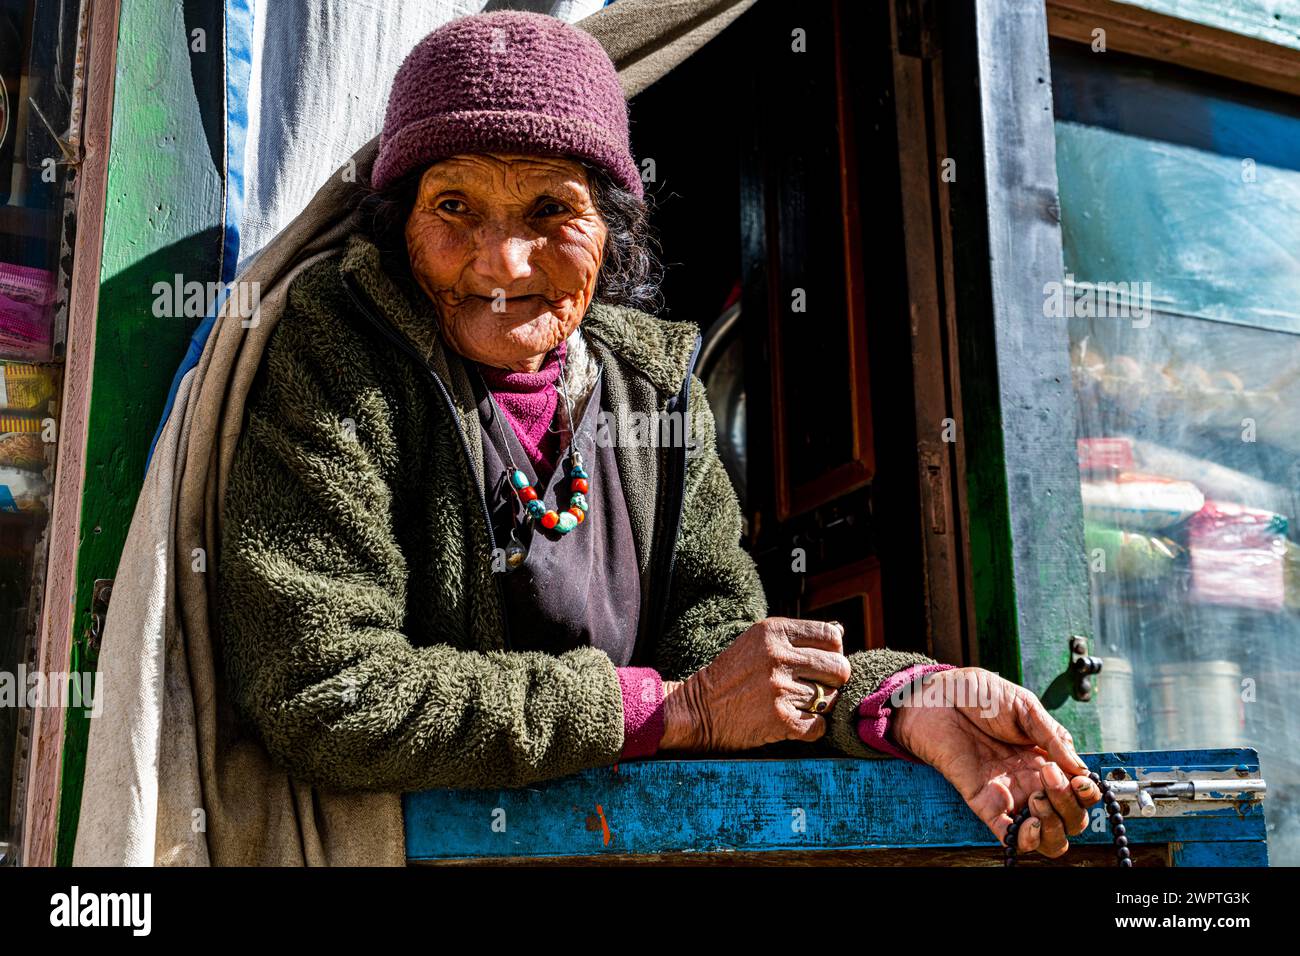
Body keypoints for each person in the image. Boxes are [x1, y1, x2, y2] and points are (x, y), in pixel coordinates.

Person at [218, 10, 1099, 861]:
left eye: (550, 210)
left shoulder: (649, 386)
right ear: (397, 223)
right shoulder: (337, 351)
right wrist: (664, 713)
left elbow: (724, 653)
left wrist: (901, 702)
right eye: (454, 206)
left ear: (613, 230)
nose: (504, 263)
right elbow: (325, 688)